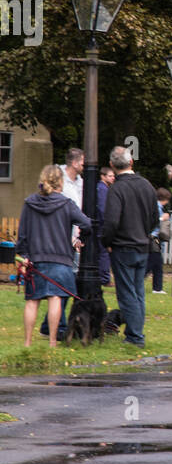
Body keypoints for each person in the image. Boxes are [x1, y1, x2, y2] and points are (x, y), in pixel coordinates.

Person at [15, 164, 92, 348]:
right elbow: (87, 223)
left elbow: (23, 233)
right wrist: (79, 238)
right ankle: (52, 342)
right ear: (60, 182)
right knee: (55, 299)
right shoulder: (66, 204)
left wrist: (23, 255)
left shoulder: (29, 203)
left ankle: (27, 343)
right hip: (61, 258)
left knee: (32, 301)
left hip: (36, 259)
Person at [101, 146, 160, 347]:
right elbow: (154, 219)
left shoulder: (116, 189)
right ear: (131, 162)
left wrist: (106, 242)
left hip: (122, 247)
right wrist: (144, 233)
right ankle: (137, 333)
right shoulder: (147, 186)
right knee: (138, 293)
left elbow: (111, 222)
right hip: (143, 246)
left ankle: (135, 337)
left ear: (112, 165)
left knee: (127, 294)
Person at [39, 146, 85, 340]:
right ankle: (57, 326)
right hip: (58, 240)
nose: (85, 164)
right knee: (64, 285)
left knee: (67, 284)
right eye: (82, 161)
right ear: (74, 163)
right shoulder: (58, 181)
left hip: (74, 238)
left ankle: (50, 324)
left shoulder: (80, 183)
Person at [146, 187, 172, 293]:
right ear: (166, 199)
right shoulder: (156, 207)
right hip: (154, 238)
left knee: (157, 264)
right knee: (153, 262)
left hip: (154, 238)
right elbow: (152, 221)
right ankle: (156, 287)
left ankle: (157, 288)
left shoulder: (156, 206)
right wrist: (163, 218)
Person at [96, 165, 115, 286]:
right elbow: (103, 209)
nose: (113, 178)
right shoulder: (103, 189)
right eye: (110, 176)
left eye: (113, 176)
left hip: (100, 225)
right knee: (104, 253)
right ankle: (104, 278)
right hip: (102, 226)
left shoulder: (103, 188)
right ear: (103, 176)